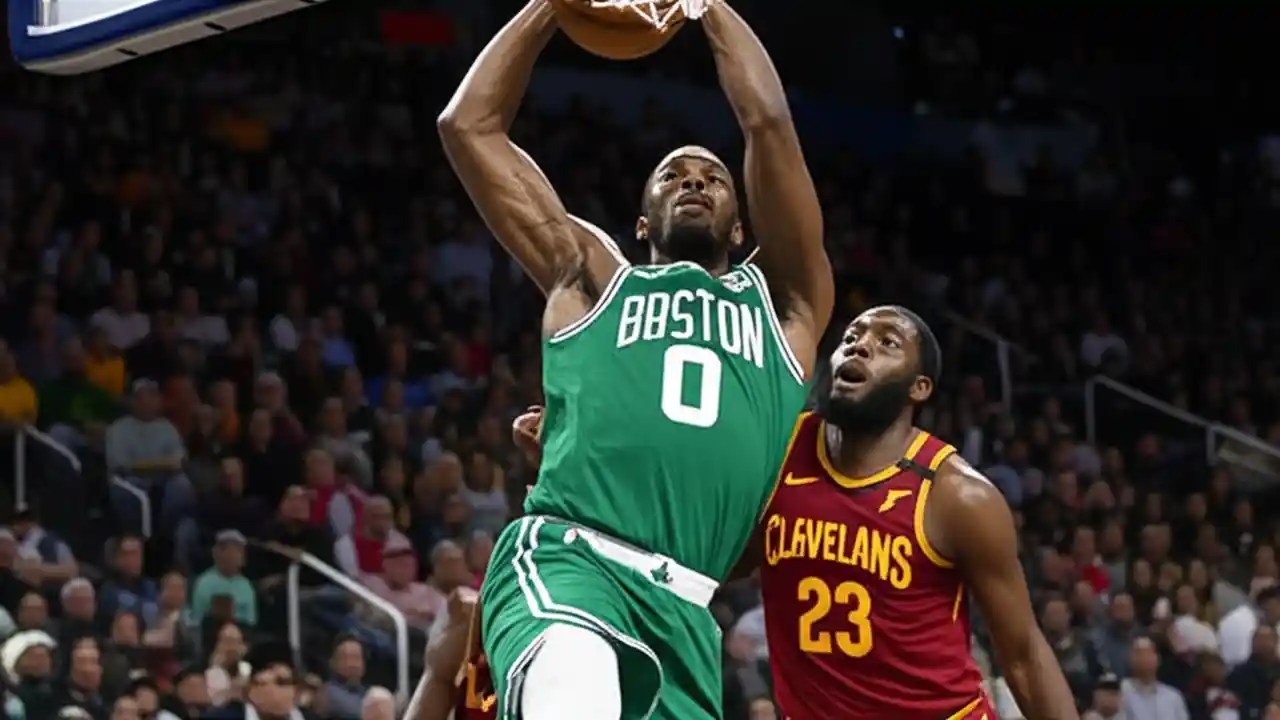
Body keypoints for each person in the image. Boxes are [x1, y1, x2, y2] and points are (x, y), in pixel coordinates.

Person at [435, 0, 832, 716]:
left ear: (743, 225)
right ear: (642, 219)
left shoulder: (785, 305)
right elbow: (467, 127)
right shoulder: (590, 276)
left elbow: (769, 125)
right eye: (673, 175)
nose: (693, 181)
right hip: (570, 560)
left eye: (711, 177)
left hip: (686, 607)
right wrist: (549, 7)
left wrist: (706, 6)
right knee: (571, 691)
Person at [757, 306, 1077, 719]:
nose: (860, 346)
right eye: (851, 337)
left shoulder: (959, 496)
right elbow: (725, 561)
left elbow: (1023, 652)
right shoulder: (777, 451)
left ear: (919, 387)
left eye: (888, 343)